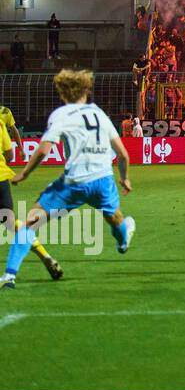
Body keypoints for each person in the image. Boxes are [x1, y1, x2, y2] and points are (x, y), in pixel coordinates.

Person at [2, 70, 133, 289]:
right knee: (116, 218)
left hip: (73, 183)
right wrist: (125, 178)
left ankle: (9, 275)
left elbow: (44, 150)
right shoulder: (99, 114)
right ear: (86, 90)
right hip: (103, 181)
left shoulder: (61, 115)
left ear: (62, 93)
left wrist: (24, 173)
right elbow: (123, 154)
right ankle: (123, 242)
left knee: (29, 224)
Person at [0, 101, 63, 280]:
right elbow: (9, 155)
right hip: (1, 178)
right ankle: (45, 255)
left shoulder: (5, 113)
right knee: (9, 221)